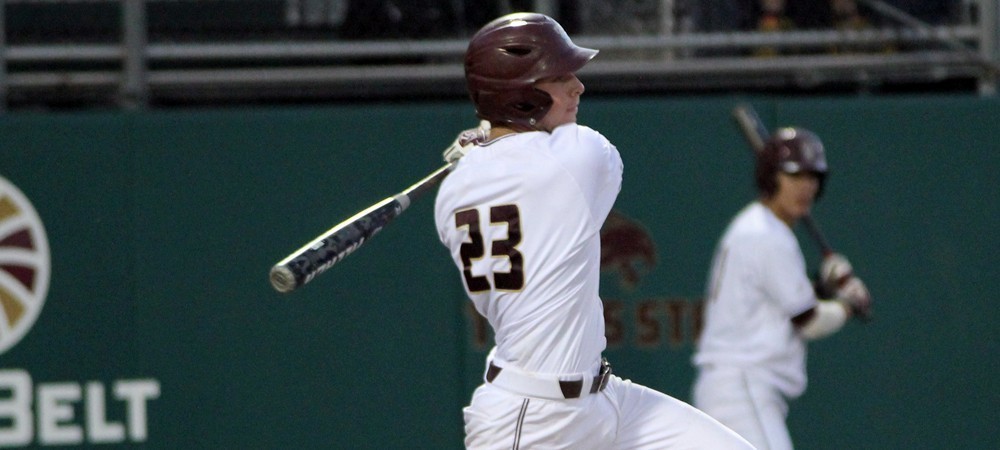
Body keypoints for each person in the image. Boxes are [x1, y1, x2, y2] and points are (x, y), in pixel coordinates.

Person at [435, 12, 755, 450]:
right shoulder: (580, 156)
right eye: (559, 76)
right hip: (533, 421)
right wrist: (494, 142)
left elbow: (511, 172)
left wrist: (487, 146)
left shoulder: (451, 194)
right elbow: (564, 162)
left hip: (601, 398)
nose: (577, 87)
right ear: (520, 96)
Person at [691, 127, 873, 450]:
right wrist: (848, 303)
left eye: (812, 178)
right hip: (743, 388)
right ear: (771, 178)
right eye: (794, 176)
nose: (805, 187)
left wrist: (825, 287)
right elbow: (810, 321)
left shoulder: (757, 226)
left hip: (733, 388)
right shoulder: (767, 235)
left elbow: (784, 304)